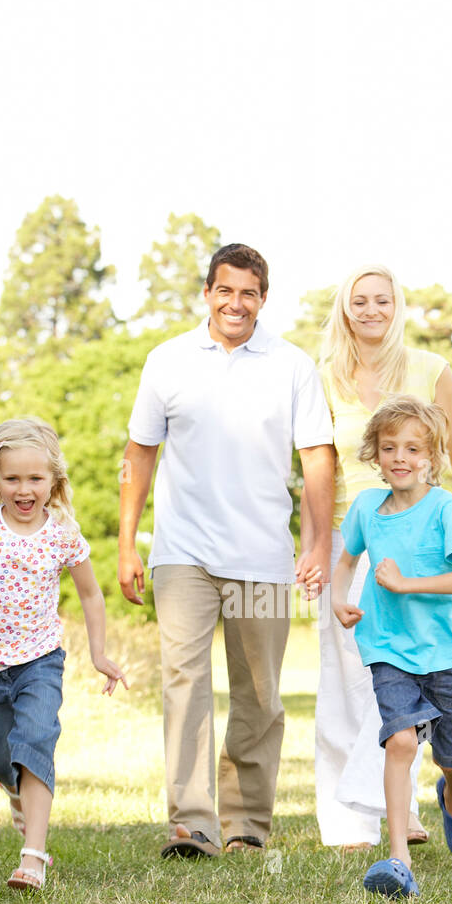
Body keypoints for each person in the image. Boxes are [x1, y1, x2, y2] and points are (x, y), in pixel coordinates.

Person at [118, 243, 334, 858]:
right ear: (207, 293)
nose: (235, 303)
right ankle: (192, 822)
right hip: (181, 549)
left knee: (260, 693)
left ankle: (245, 825)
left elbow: (318, 456)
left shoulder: (292, 367)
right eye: (224, 290)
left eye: (248, 293)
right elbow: (139, 455)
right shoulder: (167, 361)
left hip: (263, 555)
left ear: (263, 299)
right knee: (184, 680)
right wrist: (127, 544)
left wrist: (316, 543)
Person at [304, 264, 452, 850]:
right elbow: (316, 469)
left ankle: (404, 810)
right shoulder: (324, 376)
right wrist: (317, 548)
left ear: (397, 305)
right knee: (350, 683)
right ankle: (351, 820)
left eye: (383, 299)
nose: (372, 309)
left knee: (413, 683)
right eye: (360, 300)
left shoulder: (431, 370)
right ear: (345, 308)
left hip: (422, 548)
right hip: (353, 542)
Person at [0, 418, 127, 891]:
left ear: (54, 482)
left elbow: (91, 596)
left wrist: (98, 654)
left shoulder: (63, 534)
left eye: (35, 479)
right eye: (13, 479)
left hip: (39, 660)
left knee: (35, 742)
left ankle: (33, 857)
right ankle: (15, 790)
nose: (24, 489)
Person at [323, 394, 452, 896]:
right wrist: (337, 597)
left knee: (449, 753)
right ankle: (397, 861)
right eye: (389, 447)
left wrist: (406, 584)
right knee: (400, 740)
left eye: (413, 449)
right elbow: (347, 559)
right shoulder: (368, 507)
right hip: (387, 647)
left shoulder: (444, 507)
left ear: (432, 458)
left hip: (444, 653)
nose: (400, 458)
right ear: (375, 452)